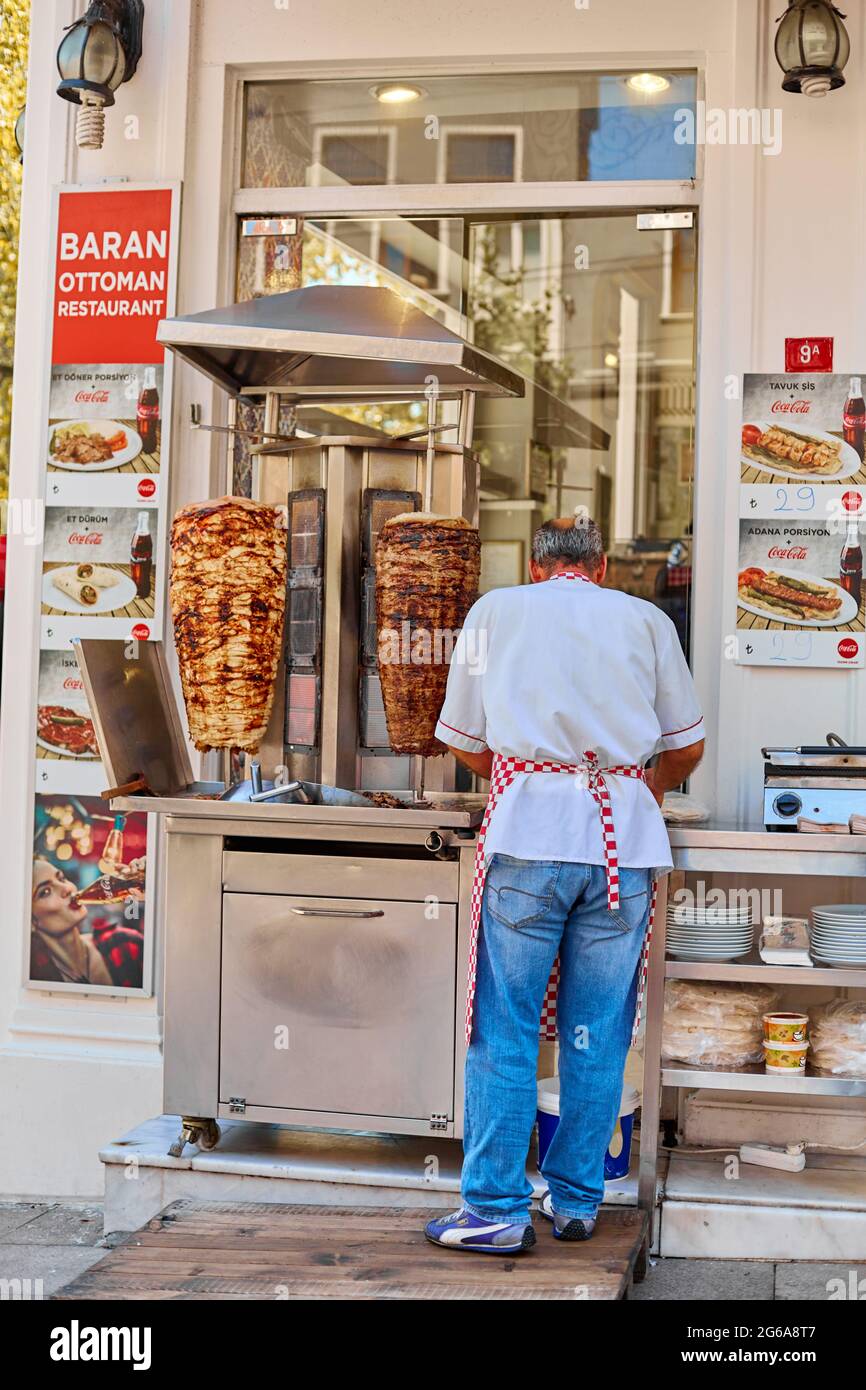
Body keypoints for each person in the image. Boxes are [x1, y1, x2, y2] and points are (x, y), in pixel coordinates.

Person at [425, 516, 704, 1255]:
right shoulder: (646, 619)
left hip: (529, 841)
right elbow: (688, 747)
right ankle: (577, 1202)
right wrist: (634, 782)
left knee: (505, 1030)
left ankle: (492, 1209)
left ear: (535, 563)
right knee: (598, 1033)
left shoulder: (496, 610)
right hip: (624, 845)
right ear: (603, 566)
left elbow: (459, 740)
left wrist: (527, 775)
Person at [31, 857, 113, 986]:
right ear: (29, 921)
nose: (67, 888)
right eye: (45, 892)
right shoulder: (34, 978)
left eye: (61, 878)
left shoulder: (124, 944)